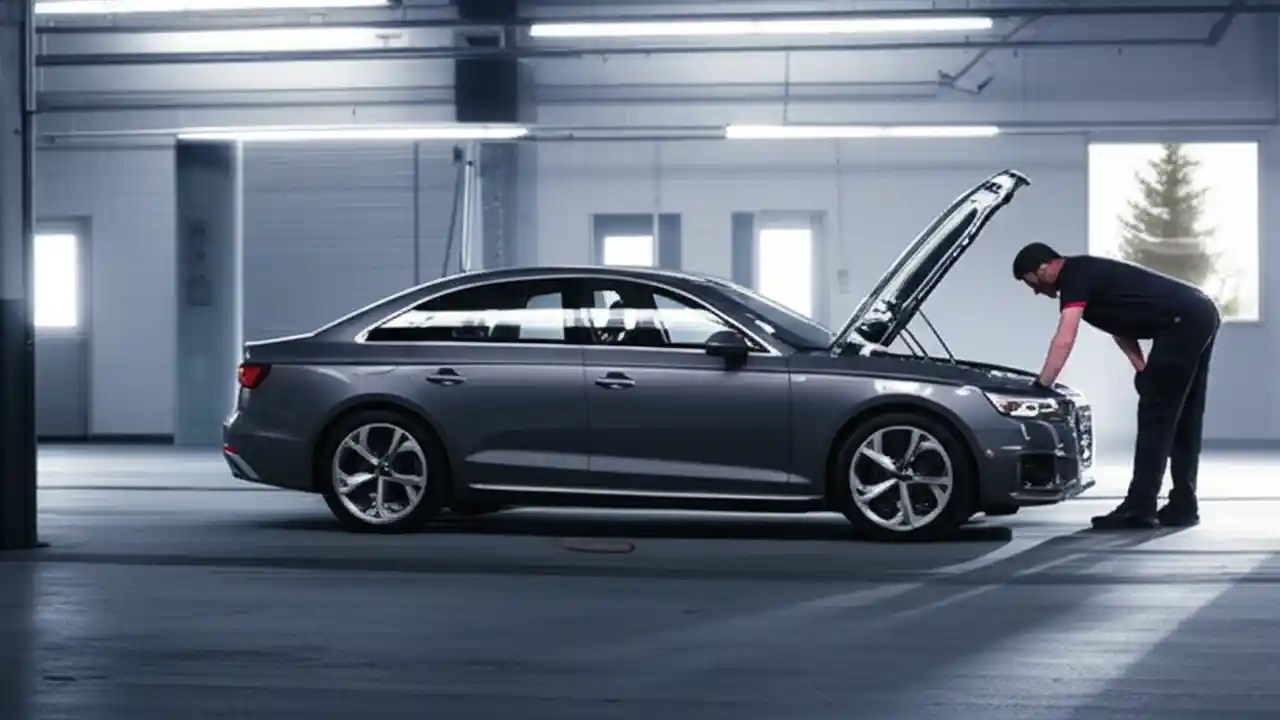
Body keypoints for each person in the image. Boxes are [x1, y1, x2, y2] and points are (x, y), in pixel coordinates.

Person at [1011, 242, 1220, 530]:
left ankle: (1140, 506)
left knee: (1155, 417)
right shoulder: (1086, 274)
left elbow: (1065, 336)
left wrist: (1042, 384)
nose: (1035, 291)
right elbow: (1120, 326)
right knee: (1184, 416)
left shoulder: (1074, 276)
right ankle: (1184, 503)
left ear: (1043, 268)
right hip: (1199, 312)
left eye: (1031, 282)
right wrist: (1142, 370)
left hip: (1183, 321)